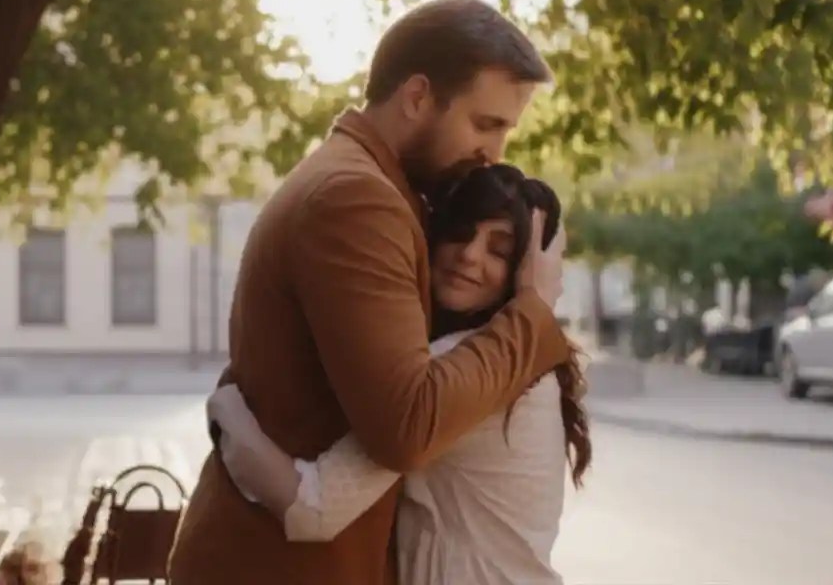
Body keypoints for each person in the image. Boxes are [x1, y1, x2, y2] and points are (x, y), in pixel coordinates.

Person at [167, 0, 571, 585]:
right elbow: (406, 427)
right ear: (417, 97)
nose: (494, 154)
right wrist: (531, 317)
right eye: (485, 125)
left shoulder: (366, 184)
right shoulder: (360, 199)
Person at [209, 165, 591, 585]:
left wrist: (227, 411)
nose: (470, 255)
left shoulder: (466, 366)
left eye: (498, 251)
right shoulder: (515, 361)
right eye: (461, 232)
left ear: (522, 273)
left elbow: (312, 508)